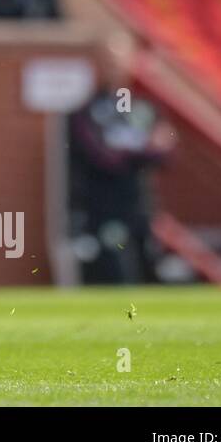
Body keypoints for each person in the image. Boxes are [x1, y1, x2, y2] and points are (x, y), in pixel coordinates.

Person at [67, 35, 174, 284]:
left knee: (149, 271)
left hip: (139, 205)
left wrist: (131, 152)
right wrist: (142, 150)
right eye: (107, 61)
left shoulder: (143, 108)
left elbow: (167, 150)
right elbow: (103, 157)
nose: (113, 68)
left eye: (118, 61)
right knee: (115, 271)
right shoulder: (87, 111)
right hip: (104, 208)